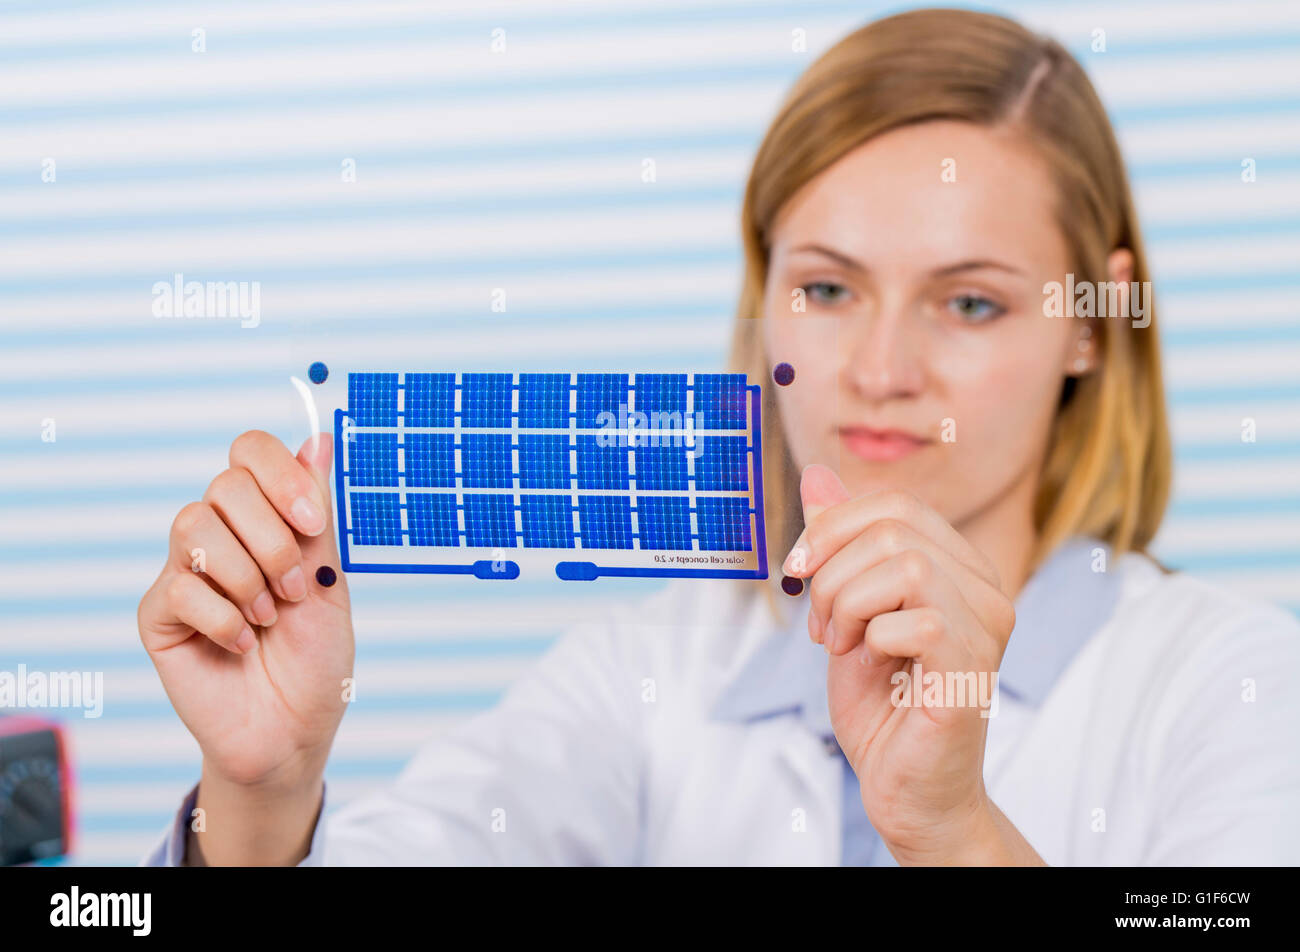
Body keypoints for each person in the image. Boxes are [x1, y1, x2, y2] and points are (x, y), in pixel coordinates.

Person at [138, 8, 1300, 866]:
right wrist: (261, 796)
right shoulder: (650, 673)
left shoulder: (1237, 688)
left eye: (972, 301)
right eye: (830, 290)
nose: (881, 373)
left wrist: (949, 827)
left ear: (1092, 323)